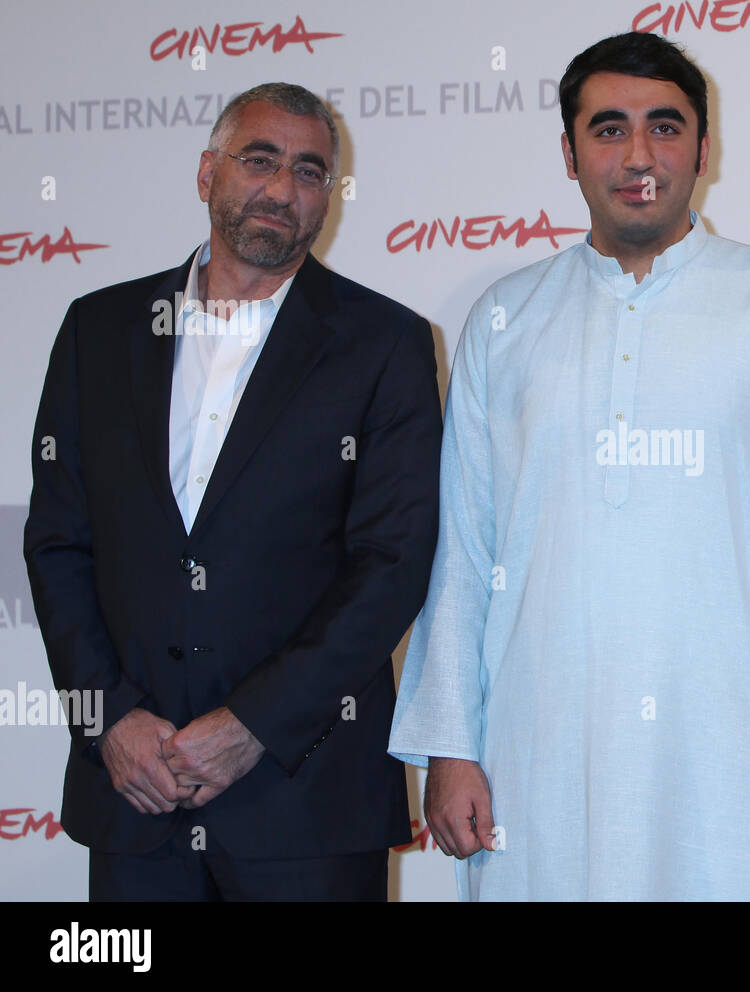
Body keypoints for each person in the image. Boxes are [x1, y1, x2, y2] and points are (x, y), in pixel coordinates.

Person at [389, 32, 750, 900]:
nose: (639, 155)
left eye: (665, 126)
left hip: (733, 747)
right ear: (570, 154)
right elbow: (463, 548)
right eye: (609, 129)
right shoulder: (506, 320)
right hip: (532, 749)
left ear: (702, 145)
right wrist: (450, 746)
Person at [24, 82, 441, 901]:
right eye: (260, 160)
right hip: (133, 799)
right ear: (207, 171)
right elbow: (58, 542)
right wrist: (108, 719)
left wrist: (253, 727)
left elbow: (392, 563)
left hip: (307, 804)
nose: (282, 190)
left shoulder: (384, 344)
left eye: (310, 171)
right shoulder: (97, 330)